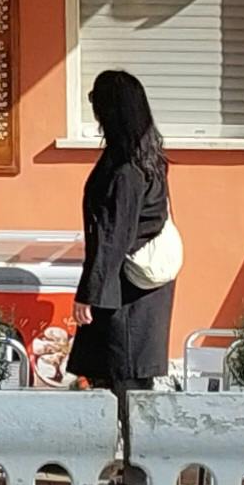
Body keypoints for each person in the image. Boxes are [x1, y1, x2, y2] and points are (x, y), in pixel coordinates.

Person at [70, 66, 176, 391]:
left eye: (95, 100)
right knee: (128, 383)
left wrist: (88, 295)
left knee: (122, 385)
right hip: (139, 293)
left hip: (124, 294)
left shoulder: (125, 169)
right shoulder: (147, 157)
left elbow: (112, 237)